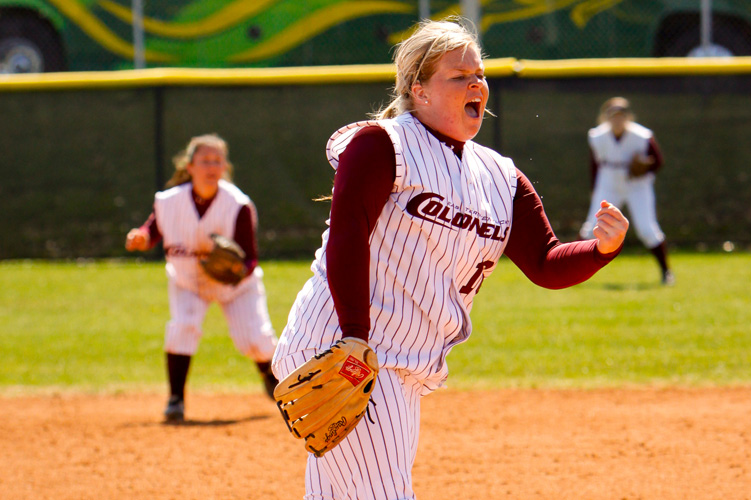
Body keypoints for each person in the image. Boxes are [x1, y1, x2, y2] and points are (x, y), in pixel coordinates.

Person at [272, 20, 629, 499]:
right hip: (345, 349)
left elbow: (545, 263)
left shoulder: (500, 177)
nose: (475, 84)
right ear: (418, 90)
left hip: (401, 364)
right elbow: (348, 237)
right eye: (459, 76)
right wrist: (354, 337)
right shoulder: (384, 145)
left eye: (479, 74)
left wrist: (601, 249)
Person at [125, 133, 279, 423]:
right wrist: (141, 237)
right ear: (190, 166)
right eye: (205, 160)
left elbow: (250, 258)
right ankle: (175, 400)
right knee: (182, 327)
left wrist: (236, 271)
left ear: (225, 167)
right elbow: (152, 230)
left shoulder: (238, 205)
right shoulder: (169, 201)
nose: (212, 166)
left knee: (254, 340)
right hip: (188, 282)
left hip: (235, 288)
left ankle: (269, 374)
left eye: (217, 161)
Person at [579, 97, 674, 285]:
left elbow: (658, 162)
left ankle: (666, 272)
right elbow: (595, 165)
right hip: (608, 184)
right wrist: (594, 189)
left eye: (621, 116)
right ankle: (572, 270)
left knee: (647, 229)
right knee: (591, 228)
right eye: (613, 116)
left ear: (628, 117)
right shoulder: (597, 136)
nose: (617, 120)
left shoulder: (642, 136)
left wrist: (644, 167)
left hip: (637, 186)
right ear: (606, 117)